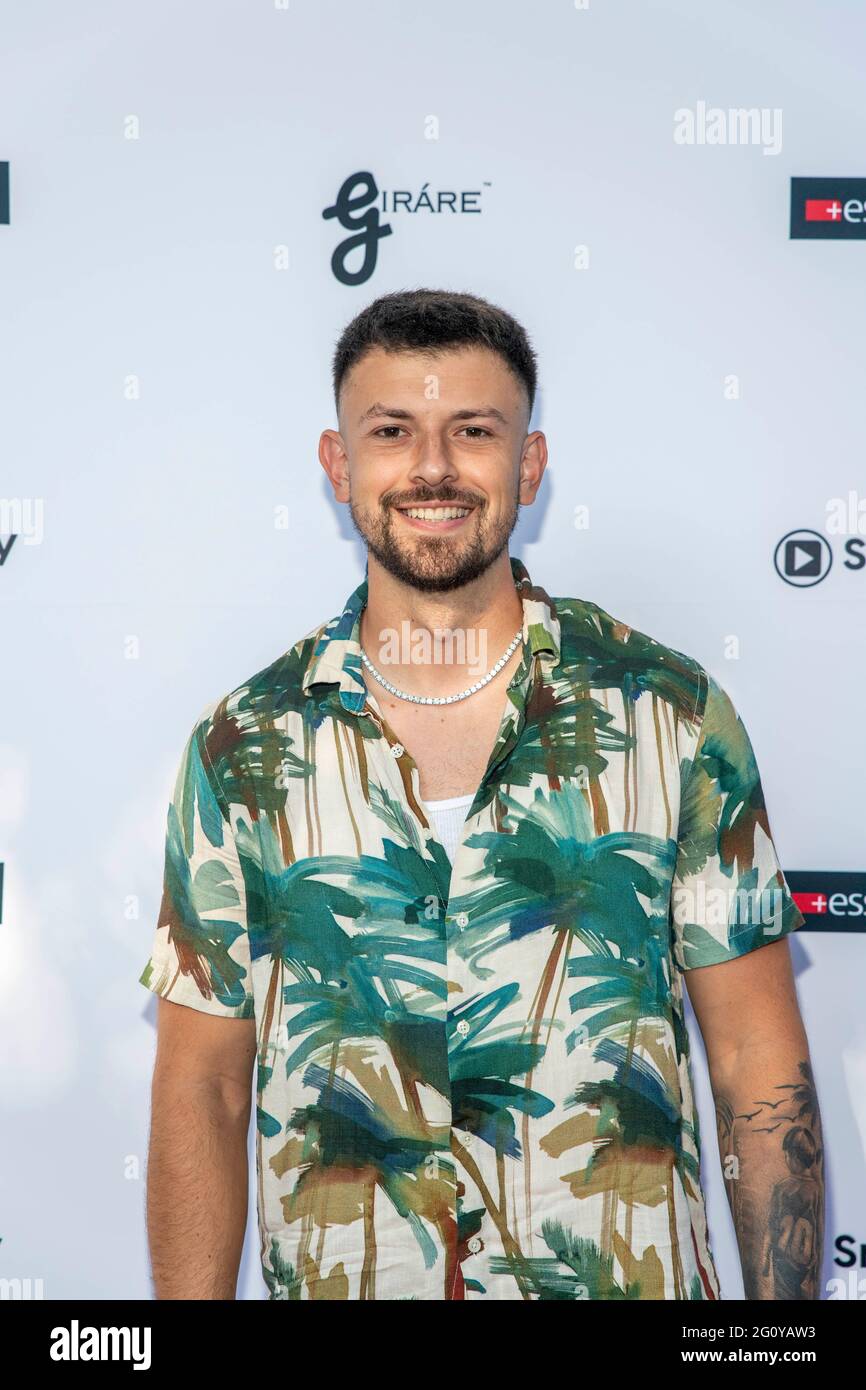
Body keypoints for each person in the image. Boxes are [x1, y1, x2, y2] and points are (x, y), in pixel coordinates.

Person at [139, 288, 823, 1301]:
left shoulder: (669, 714)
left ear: (528, 465)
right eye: (391, 432)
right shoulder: (243, 745)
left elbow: (752, 1056)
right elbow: (200, 1088)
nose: (430, 468)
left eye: (471, 431)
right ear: (337, 465)